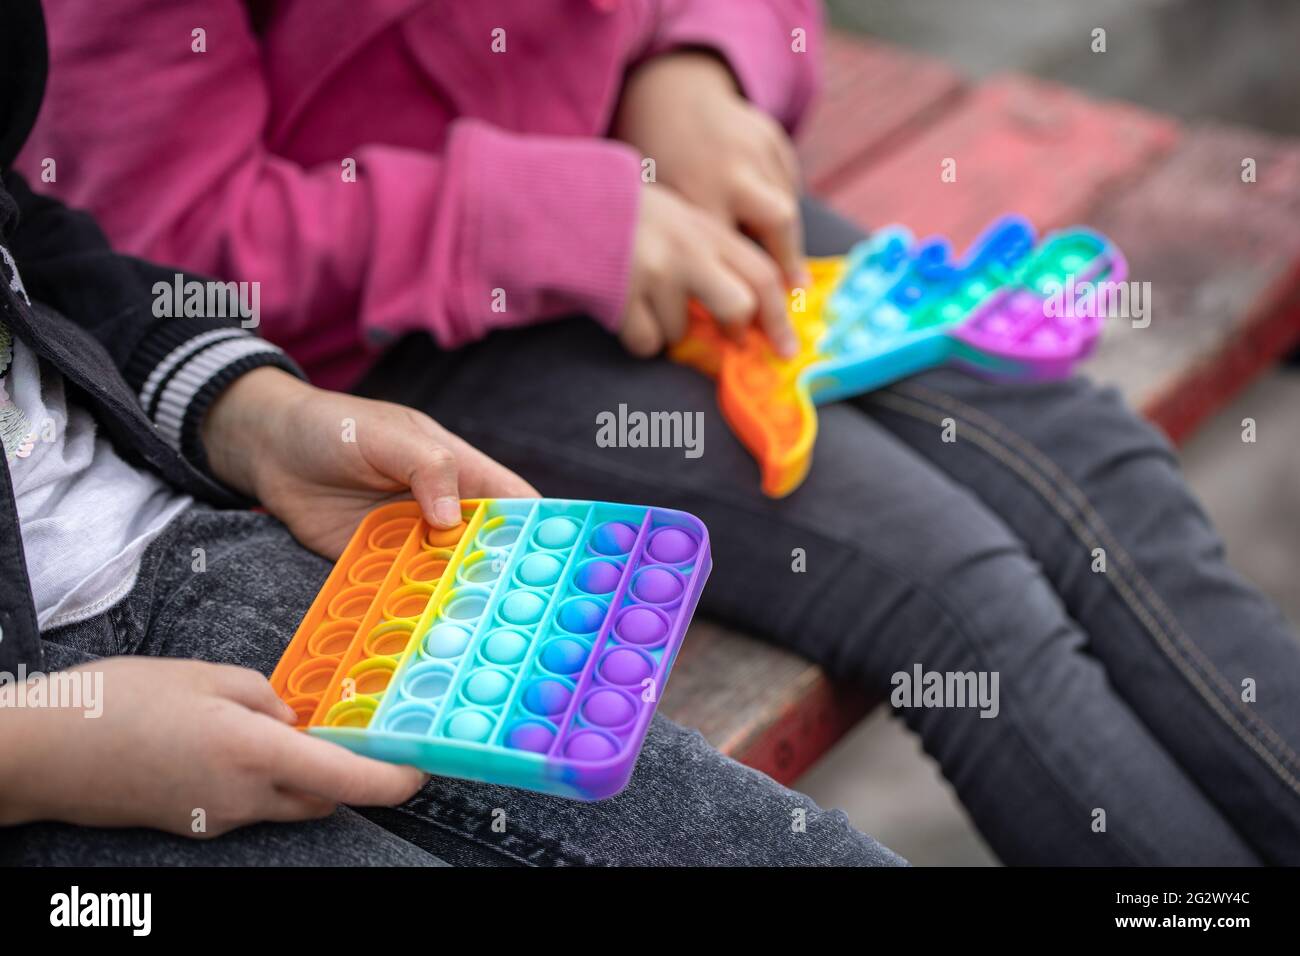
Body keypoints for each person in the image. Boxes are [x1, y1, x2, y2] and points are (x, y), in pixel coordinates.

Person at [23, 0, 1300, 864]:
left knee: (1101, 482)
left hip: (665, 191)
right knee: (960, 585)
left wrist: (695, 62)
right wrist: (540, 222)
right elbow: (149, 237)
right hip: (404, 344)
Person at [0, 0, 904, 867]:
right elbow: (181, 210)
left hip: (158, 520)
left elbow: (29, 235)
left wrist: (253, 415)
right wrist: (33, 751)